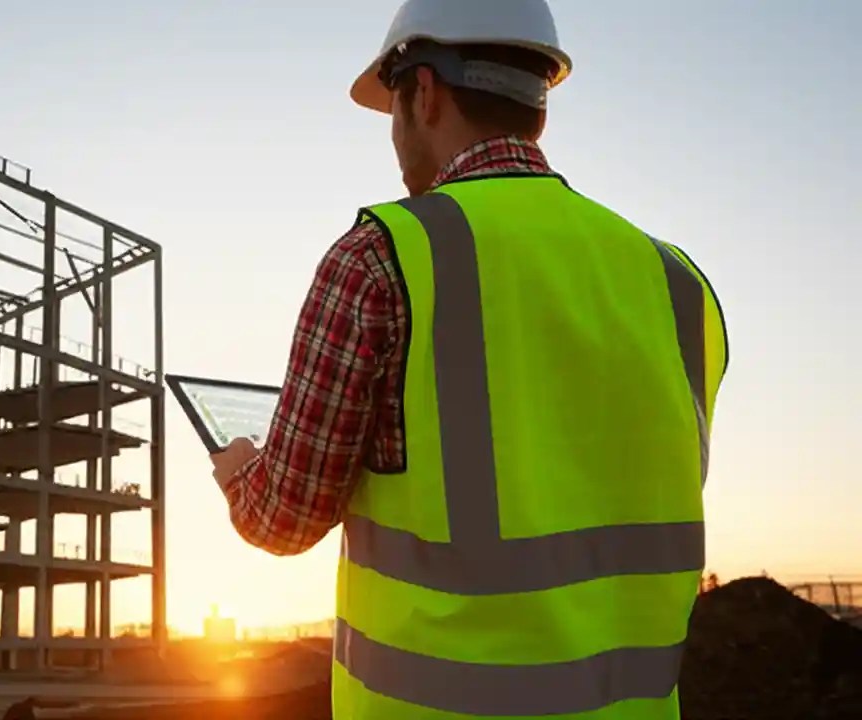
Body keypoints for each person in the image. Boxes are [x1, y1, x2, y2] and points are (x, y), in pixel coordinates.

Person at [208, 0, 730, 718]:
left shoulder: (380, 258)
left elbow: (282, 518)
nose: (393, 137)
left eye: (392, 107)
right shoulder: (677, 284)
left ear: (423, 92)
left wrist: (239, 470)